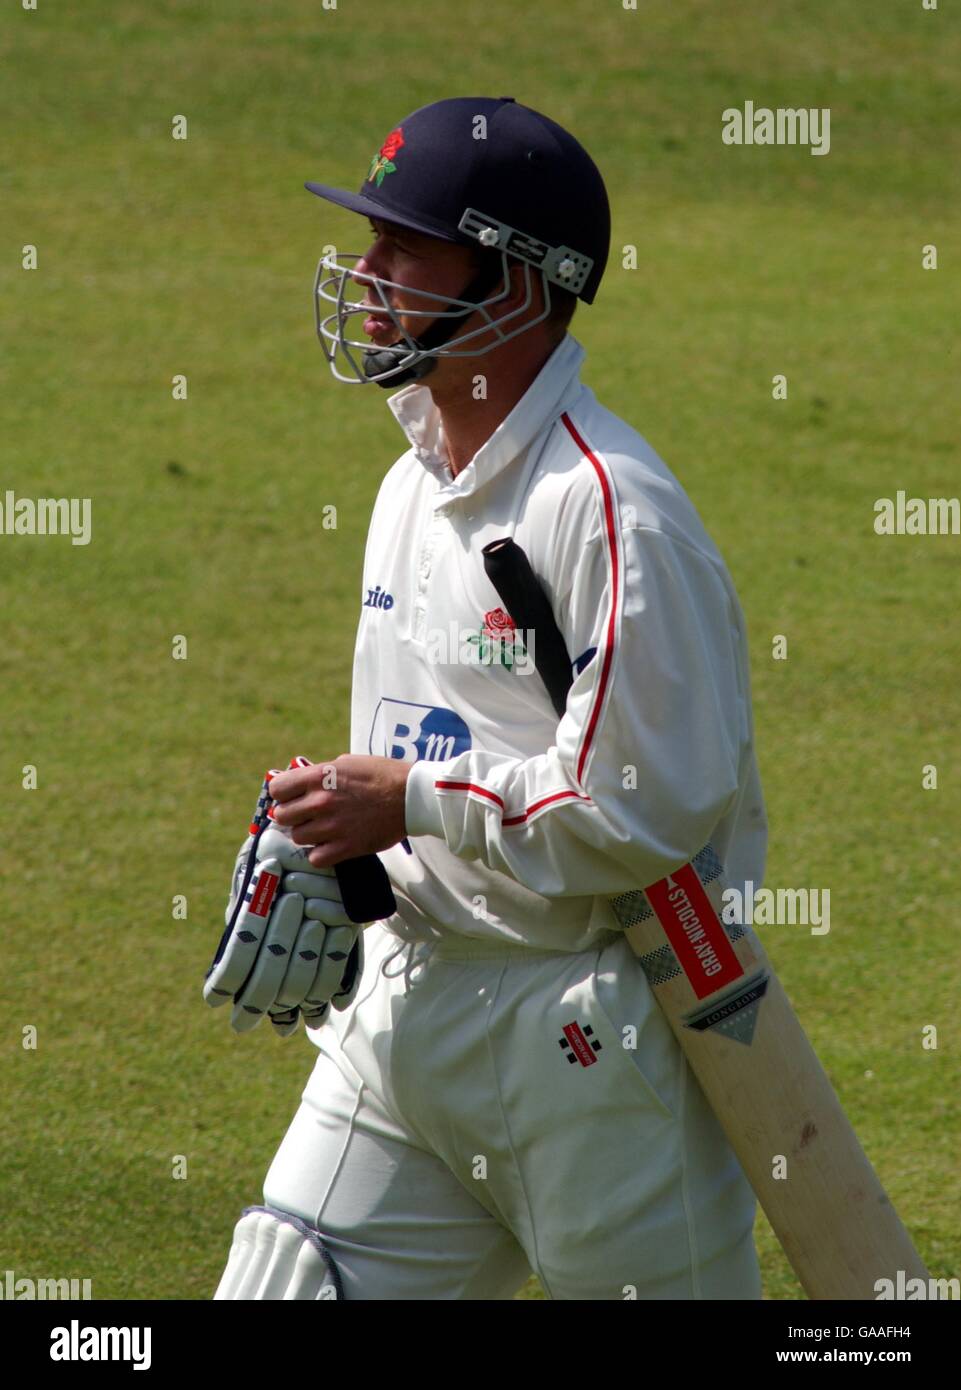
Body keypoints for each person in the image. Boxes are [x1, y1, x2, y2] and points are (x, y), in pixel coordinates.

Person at [212, 96, 767, 1301]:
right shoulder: (408, 485)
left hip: (591, 1050)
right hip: (401, 1011)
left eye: (404, 247)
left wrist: (411, 801)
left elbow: (642, 809)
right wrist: (338, 828)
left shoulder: (612, 511)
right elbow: (423, 751)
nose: (366, 273)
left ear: (516, 284)